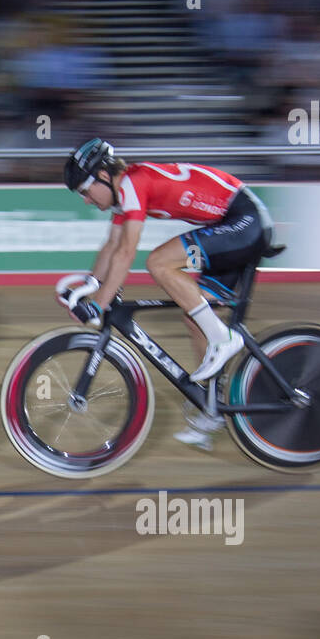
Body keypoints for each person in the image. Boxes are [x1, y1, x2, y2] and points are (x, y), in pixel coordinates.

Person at [60, 138, 275, 451]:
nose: (87, 201)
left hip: (243, 220)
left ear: (104, 176)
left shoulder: (133, 183)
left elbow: (126, 253)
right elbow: (112, 246)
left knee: (159, 262)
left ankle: (225, 341)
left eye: (85, 191)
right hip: (232, 225)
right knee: (196, 317)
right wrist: (92, 284)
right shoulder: (124, 195)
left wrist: (98, 305)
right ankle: (213, 407)